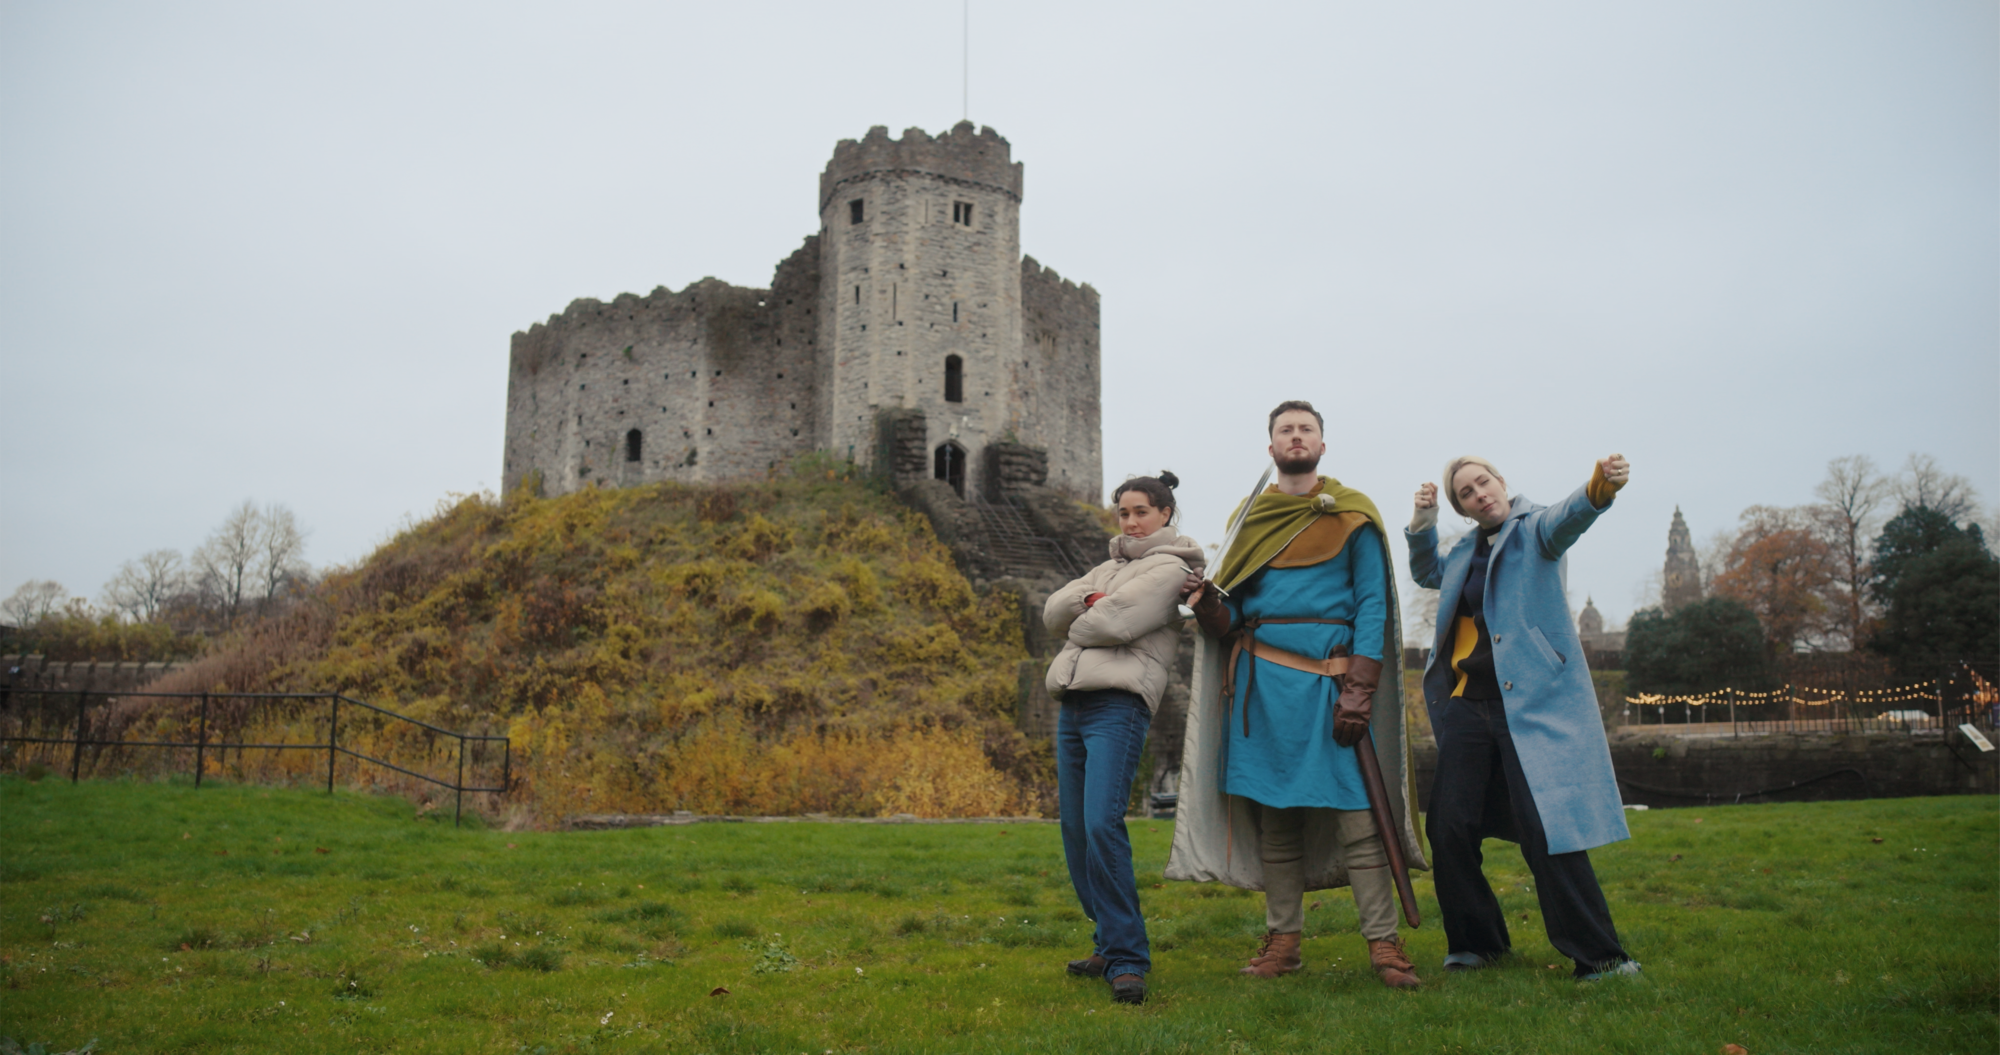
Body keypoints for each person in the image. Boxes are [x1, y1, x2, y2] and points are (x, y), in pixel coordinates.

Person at [1166, 401, 1427, 990]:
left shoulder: (1354, 513)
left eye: (1306, 428)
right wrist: (1207, 604)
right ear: (1271, 447)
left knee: (1359, 819)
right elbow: (1231, 615)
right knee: (1276, 820)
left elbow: (1373, 605)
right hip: (1262, 691)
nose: (1296, 436)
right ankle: (1283, 943)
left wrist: (1360, 689)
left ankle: (1384, 945)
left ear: (1322, 445)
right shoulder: (1250, 518)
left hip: (1332, 688)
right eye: (1285, 429)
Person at [1406, 453, 1641, 980]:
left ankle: (1601, 958)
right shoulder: (1463, 551)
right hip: (1468, 707)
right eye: (1466, 493)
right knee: (1448, 827)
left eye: (1483, 482)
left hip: (1529, 705)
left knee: (1546, 828)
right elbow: (1425, 572)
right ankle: (1477, 945)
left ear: (1501, 482)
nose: (1479, 494)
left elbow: (1572, 515)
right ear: (1463, 509)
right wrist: (1422, 520)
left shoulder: (1537, 530)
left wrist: (1601, 486)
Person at [1044, 472, 1205, 1006]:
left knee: (1101, 824)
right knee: (1075, 829)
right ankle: (1107, 942)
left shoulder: (1173, 567)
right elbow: (1051, 610)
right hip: (1073, 703)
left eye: (1141, 512)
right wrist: (1094, 600)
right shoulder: (1108, 568)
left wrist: (1088, 607)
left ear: (1165, 514)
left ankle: (1128, 958)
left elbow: (1108, 625)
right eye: (1123, 513)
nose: (1131, 522)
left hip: (1118, 705)